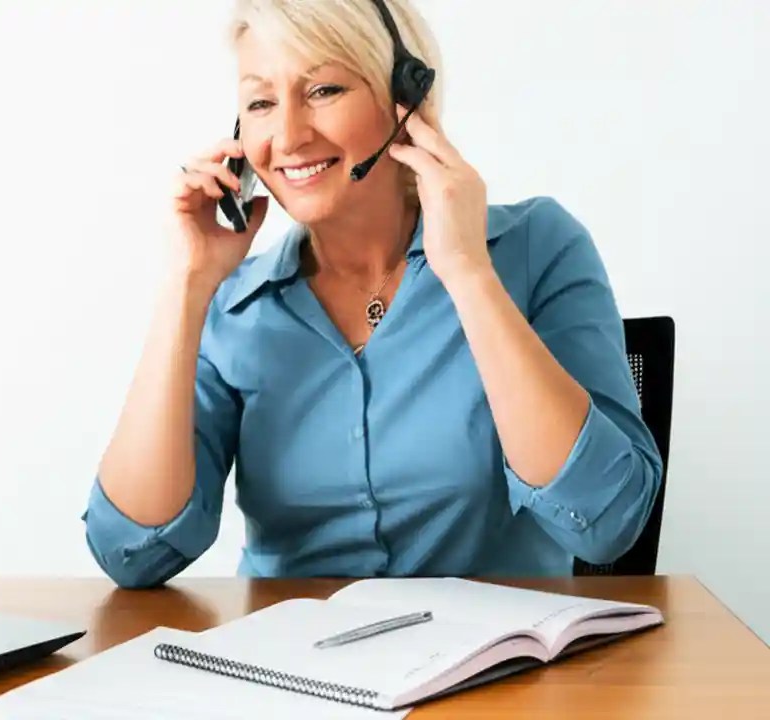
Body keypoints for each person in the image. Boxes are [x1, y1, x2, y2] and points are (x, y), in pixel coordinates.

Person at [82, 0, 662, 589]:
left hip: (496, 671)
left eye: (324, 90)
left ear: (405, 98)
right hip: (291, 666)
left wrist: (466, 271)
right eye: (260, 103)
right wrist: (187, 283)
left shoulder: (534, 247)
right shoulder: (235, 307)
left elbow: (606, 520)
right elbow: (132, 553)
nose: (288, 135)